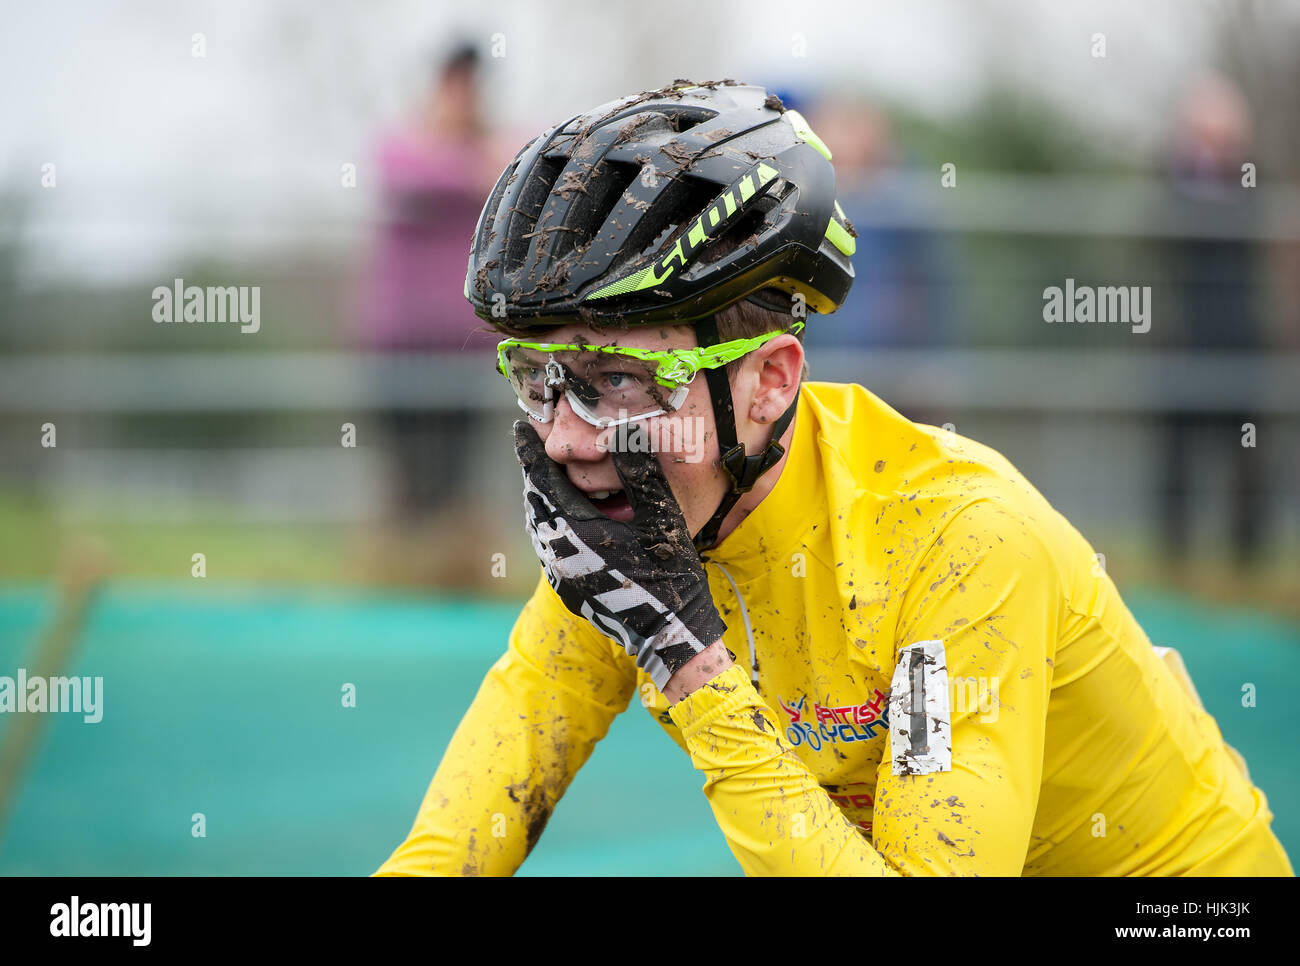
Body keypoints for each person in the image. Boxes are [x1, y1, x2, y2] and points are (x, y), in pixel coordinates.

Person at [375, 80, 1292, 876]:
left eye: (618, 380)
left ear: (769, 380)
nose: (568, 440)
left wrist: (696, 671)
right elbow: (456, 840)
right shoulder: (638, 533)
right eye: (540, 379)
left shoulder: (959, 540)